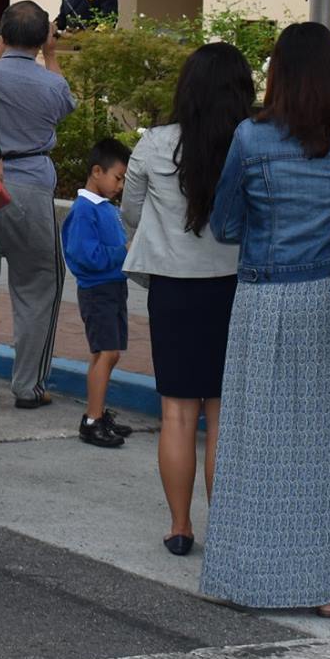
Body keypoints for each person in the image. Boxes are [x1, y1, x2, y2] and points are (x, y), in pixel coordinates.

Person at [200, 21, 330, 618]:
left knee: (257, 442)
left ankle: (251, 576)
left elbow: (224, 225)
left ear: (276, 73)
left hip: (264, 298)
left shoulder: (251, 138)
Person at [121, 41, 250, 557]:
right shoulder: (251, 141)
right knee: (221, 413)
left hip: (173, 288)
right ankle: (223, 530)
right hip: (234, 286)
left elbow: (131, 211)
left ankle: (179, 527)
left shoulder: (154, 144)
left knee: (177, 411)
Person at [0, 0, 76, 409]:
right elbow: (65, 107)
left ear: (3, 36)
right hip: (32, 187)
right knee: (39, 287)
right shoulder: (52, 84)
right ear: (44, 36)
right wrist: (52, 55)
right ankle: (28, 386)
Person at [62, 138, 132, 449]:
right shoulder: (84, 210)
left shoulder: (103, 209)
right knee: (108, 352)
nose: (120, 185)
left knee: (103, 353)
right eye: (117, 177)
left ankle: (97, 412)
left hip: (112, 288)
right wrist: (122, 253)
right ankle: (92, 420)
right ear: (96, 171)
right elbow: (83, 255)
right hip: (98, 291)